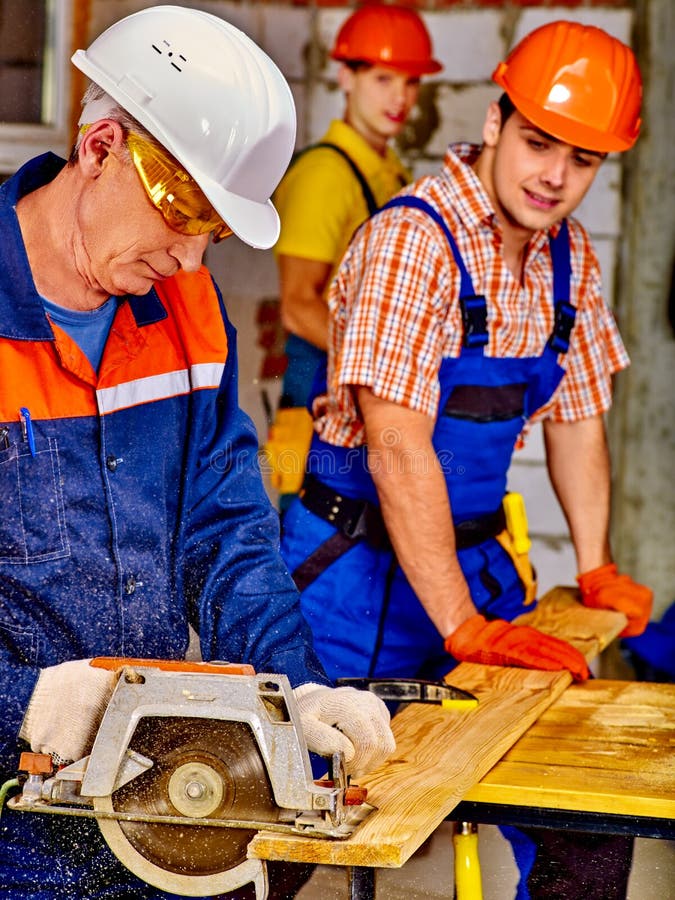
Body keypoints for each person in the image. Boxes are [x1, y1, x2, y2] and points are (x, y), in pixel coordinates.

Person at [0, 7, 395, 899]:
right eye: (181, 214)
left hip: (158, 798)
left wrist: (298, 693)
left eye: (211, 232)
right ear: (99, 147)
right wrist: (23, 700)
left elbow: (226, 533)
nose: (186, 261)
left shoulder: (188, 313)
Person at [280, 20, 653, 900]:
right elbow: (398, 443)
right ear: (494, 122)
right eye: (536, 142)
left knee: (584, 815)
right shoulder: (415, 242)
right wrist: (459, 628)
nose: (554, 176)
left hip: (475, 571)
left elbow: (577, 418)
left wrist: (593, 565)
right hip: (355, 581)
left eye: (583, 159)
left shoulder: (568, 258)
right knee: (292, 824)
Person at [264, 4, 441, 509]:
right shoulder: (327, 174)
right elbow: (299, 306)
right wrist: (392, 368)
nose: (400, 98)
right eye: (384, 79)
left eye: (410, 83)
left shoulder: (392, 173)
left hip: (369, 397)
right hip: (322, 400)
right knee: (317, 564)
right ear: (346, 76)